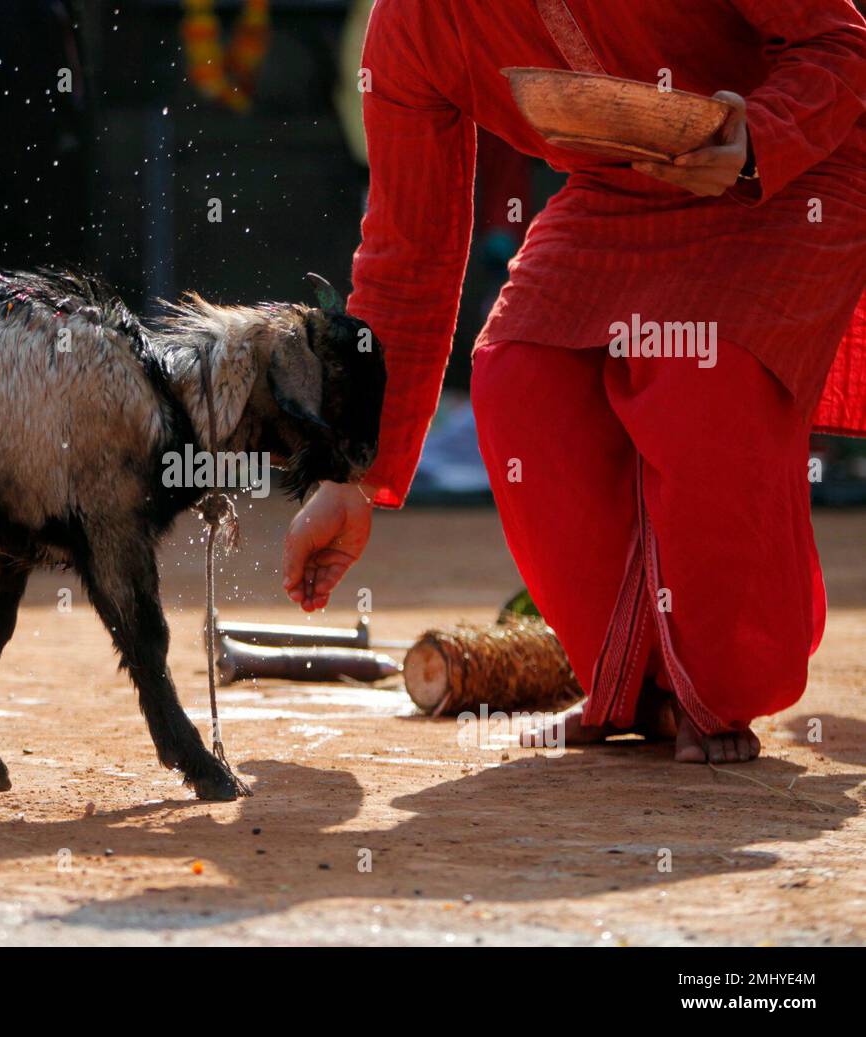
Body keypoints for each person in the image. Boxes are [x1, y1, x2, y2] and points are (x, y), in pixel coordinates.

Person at [282, 0, 866, 764]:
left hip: (794, 174)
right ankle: (629, 681)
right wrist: (348, 471)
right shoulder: (414, 24)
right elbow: (404, 253)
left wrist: (754, 136)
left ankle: (717, 687)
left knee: (699, 377)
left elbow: (842, 44)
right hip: (616, 192)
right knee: (518, 375)